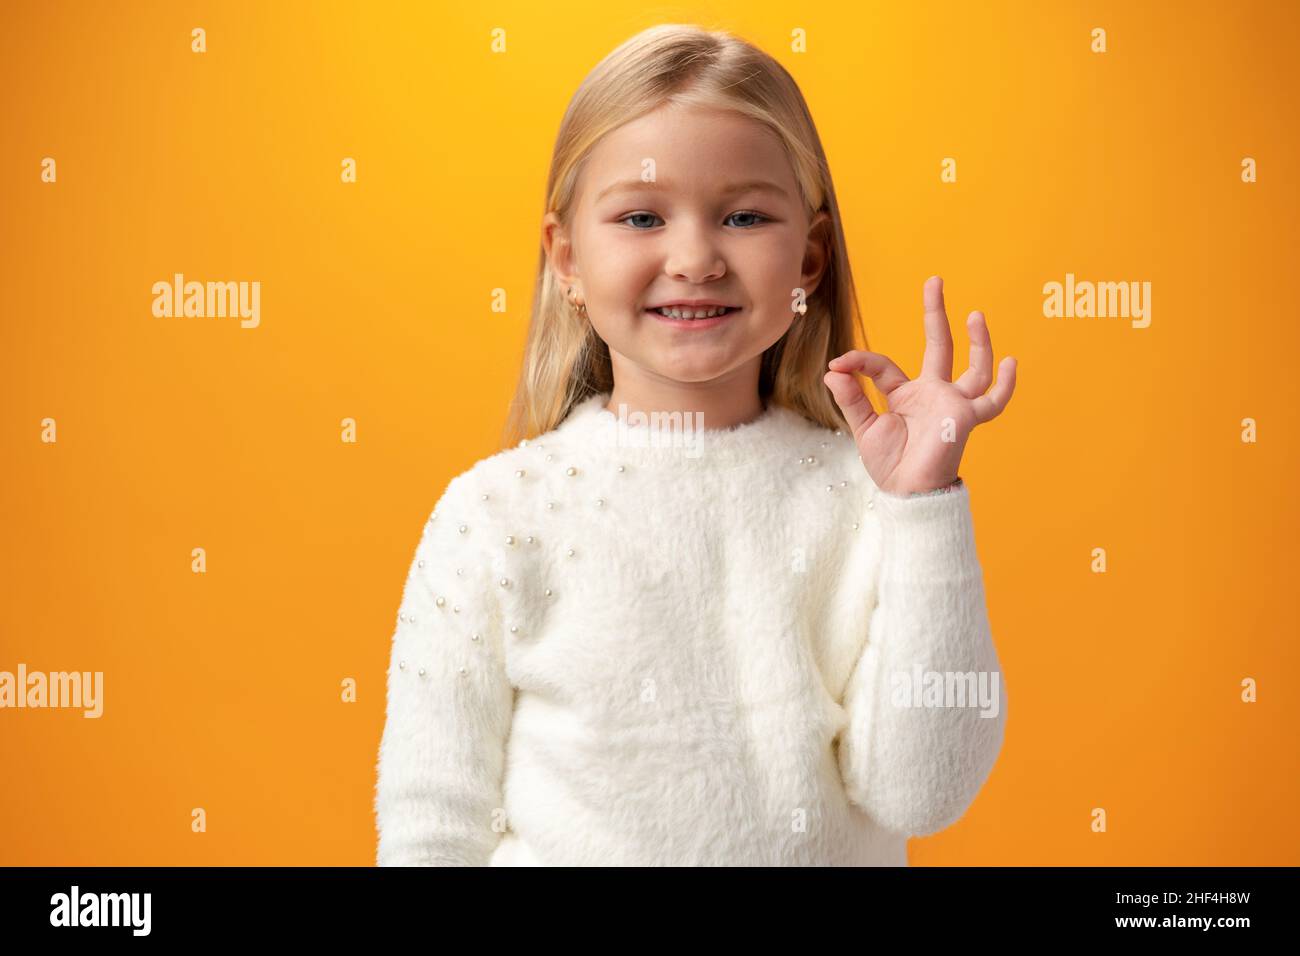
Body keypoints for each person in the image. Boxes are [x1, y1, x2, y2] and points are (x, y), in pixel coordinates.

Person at [374, 22, 1017, 866]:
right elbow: (433, 825)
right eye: (642, 216)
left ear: (810, 259)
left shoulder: (871, 503)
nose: (694, 258)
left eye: (744, 216)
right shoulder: (494, 517)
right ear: (566, 257)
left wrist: (924, 507)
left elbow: (921, 794)